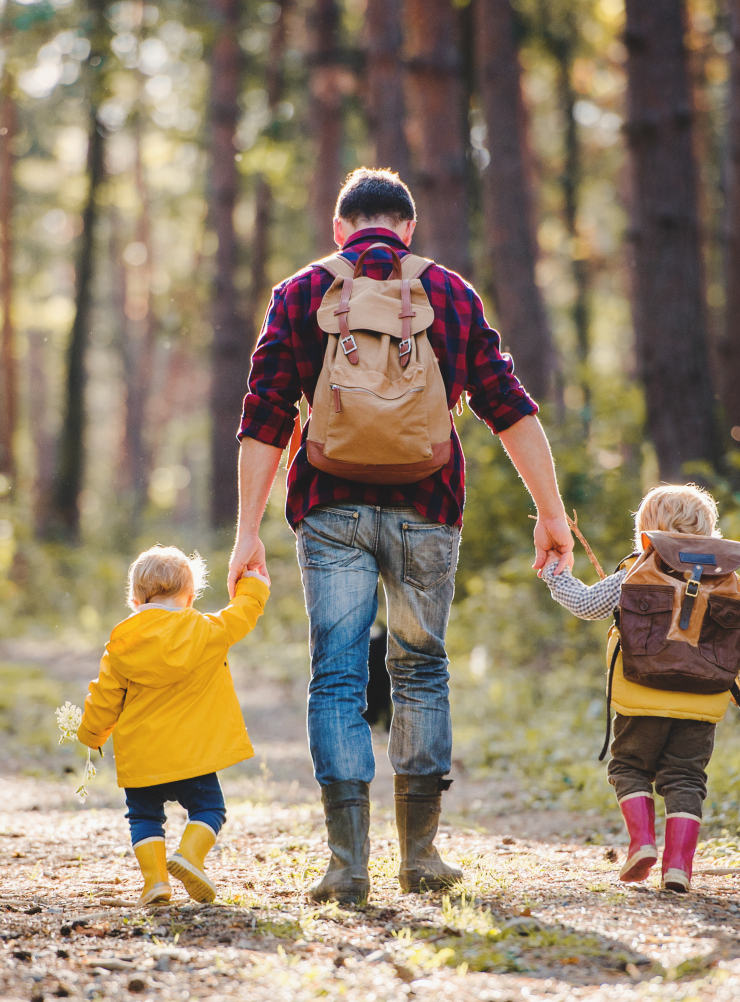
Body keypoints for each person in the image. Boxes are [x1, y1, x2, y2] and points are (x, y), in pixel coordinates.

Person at [230, 168, 573, 904]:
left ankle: (346, 864)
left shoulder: (300, 293)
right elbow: (506, 404)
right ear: (408, 229)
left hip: (329, 509)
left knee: (339, 676)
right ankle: (421, 857)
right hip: (428, 509)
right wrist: (551, 514)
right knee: (420, 670)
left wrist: (244, 535)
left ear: (339, 229)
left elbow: (266, 415)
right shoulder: (448, 293)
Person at [542, 484, 736, 893]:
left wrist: (554, 574)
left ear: (647, 530)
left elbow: (587, 605)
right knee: (686, 778)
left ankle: (642, 843)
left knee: (629, 768)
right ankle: (679, 867)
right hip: (703, 703)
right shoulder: (730, 580)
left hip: (641, 697)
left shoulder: (637, 569)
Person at [76, 545, 270, 905]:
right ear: (190, 597)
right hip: (192, 755)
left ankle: (155, 883)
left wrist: (91, 734)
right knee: (210, 809)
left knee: (145, 817)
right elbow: (240, 615)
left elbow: (104, 697)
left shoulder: (122, 644)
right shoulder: (205, 630)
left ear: (134, 598)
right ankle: (190, 857)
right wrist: (254, 585)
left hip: (143, 756)